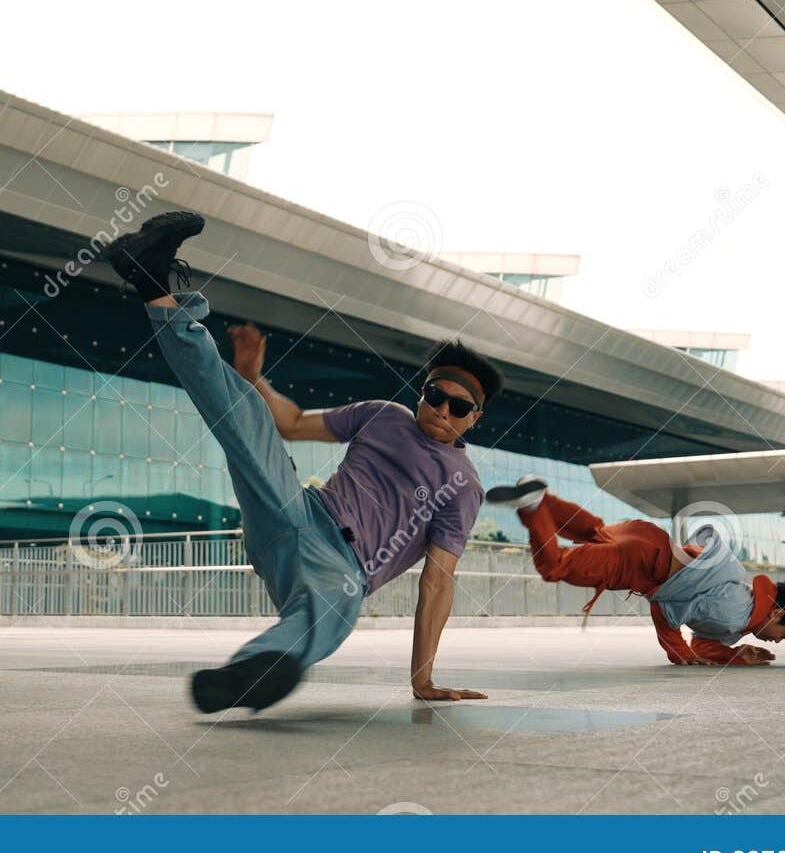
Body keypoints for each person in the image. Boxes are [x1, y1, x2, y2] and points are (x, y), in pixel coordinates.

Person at [107, 210, 500, 712]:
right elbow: (290, 423)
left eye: (458, 407)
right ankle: (150, 279)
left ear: (475, 418)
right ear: (422, 393)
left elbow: (438, 580)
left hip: (339, 566)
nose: (442, 411)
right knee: (246, 412)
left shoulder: (463, 484)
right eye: (434, 396)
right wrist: (255, 377)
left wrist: (423, 678)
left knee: (334, 607)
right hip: (296, 509)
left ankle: (240, 677)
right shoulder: (383, 414)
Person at [486, 477, 785, 665]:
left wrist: (734, 656)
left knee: (594, 531)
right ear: (777, 613)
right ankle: (533, 506)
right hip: (640, 564)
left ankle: (544, 500)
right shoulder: (737, 613)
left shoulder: (741, 605)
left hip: (644, 538)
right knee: (555, 566)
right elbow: (667, 606)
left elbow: (703, 641)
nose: (779, 641)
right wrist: (678, 653)